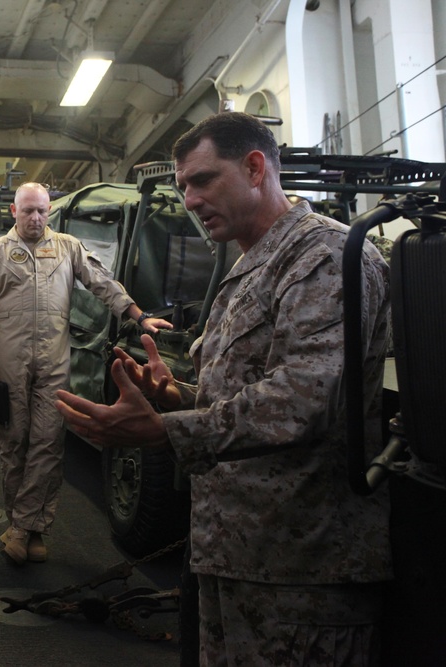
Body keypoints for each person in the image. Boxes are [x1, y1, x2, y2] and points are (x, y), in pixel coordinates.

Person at [55, 112, 392, 664]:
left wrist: (166, 430)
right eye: (183, 185)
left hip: (301, 569)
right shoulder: (250, 264)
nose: (189, 200)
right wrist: (177, 399)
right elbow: (245, 393)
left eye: (202, 180)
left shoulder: (323, 257)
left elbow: (302, 402)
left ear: (255, 167)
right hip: (235, 552)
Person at [0, 182, 172, 565]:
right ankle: (23, 525)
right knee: (15, 445)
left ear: (49, 211)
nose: (36, 218)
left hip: (53, 361)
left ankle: (27, 528)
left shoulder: (67, 247)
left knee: (48, 442)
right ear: (14, 212)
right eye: (28, 210)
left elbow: (102, 284)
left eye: (42, 210)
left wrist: (139, 316)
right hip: (8, 364)